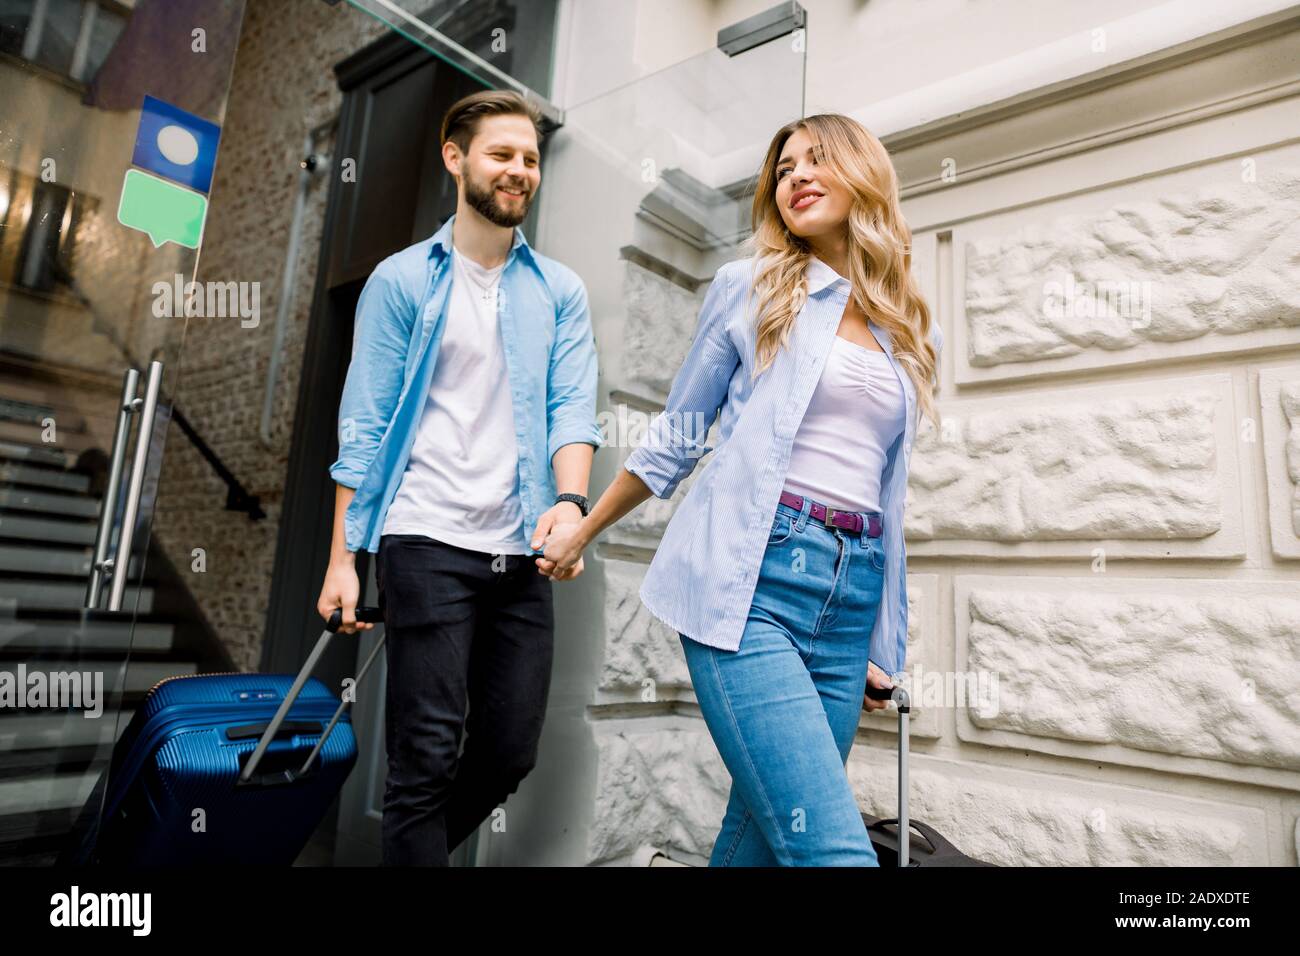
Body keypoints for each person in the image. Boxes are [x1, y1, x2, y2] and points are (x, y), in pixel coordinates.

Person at [539, 113, 942, 866]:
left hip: (848, 598)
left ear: (865, 176)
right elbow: (679, 437)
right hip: (750, 586)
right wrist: (583, 528)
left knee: (759, 838)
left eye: (818, 161)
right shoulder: (748, 289)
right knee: (833, 851)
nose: (796, 177)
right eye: (784, 168)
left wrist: (882, 643)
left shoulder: (908, 329)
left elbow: (891, 497)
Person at [317, 90, 602, 866]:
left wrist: (572, 504)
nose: (519, 172)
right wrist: (345, 559)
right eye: (502, 154)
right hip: (425, 539)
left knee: (510, 751)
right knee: (426, 757)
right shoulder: (402, 280)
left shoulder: (559, 292)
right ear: (456, 158)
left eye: (531, 159)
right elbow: (363, 430)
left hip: (521, 549)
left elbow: (573, 408)